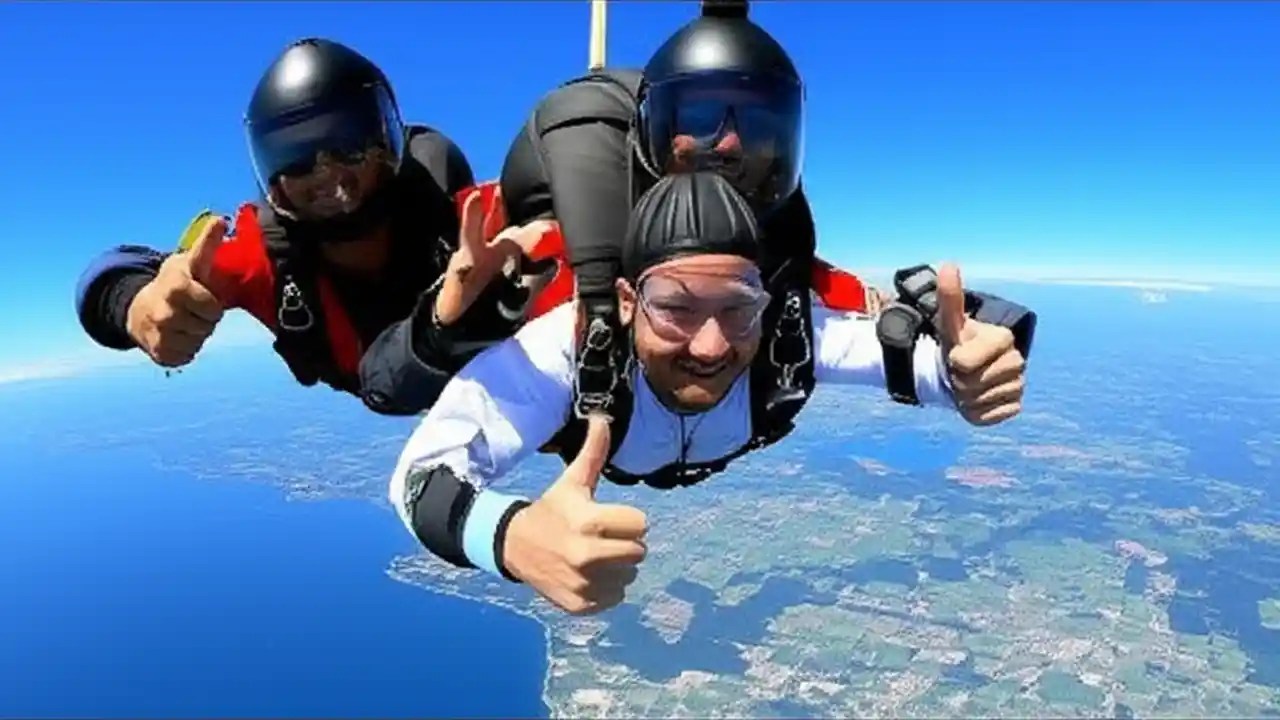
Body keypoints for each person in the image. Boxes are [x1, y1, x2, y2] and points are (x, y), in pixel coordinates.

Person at [388, 172, 1032, 616]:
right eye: (676, 307)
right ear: (627, 301)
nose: (710, 344)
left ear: (764, 301)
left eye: (736, 307)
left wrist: (971, 378)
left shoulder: (785, 336)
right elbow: (419, 477)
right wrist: (508, 536)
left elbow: (942, 368)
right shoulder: (570, 348)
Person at [497, 0, 1033, 423]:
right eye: (702, 116)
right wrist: (463, 311)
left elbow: (896, 337)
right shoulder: (561, 263)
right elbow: (456, 408)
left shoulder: (785, 295)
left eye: (756, 125)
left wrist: (967, 372)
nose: (730, 143)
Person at [73, 38, 552, 416]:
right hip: (370, 376)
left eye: (348, 143)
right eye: (294, 156)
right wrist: (137, 305)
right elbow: (112, 272)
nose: (325, 173)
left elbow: (546, 221)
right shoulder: (268, 256)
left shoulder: (459, 215)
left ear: (387, 139)